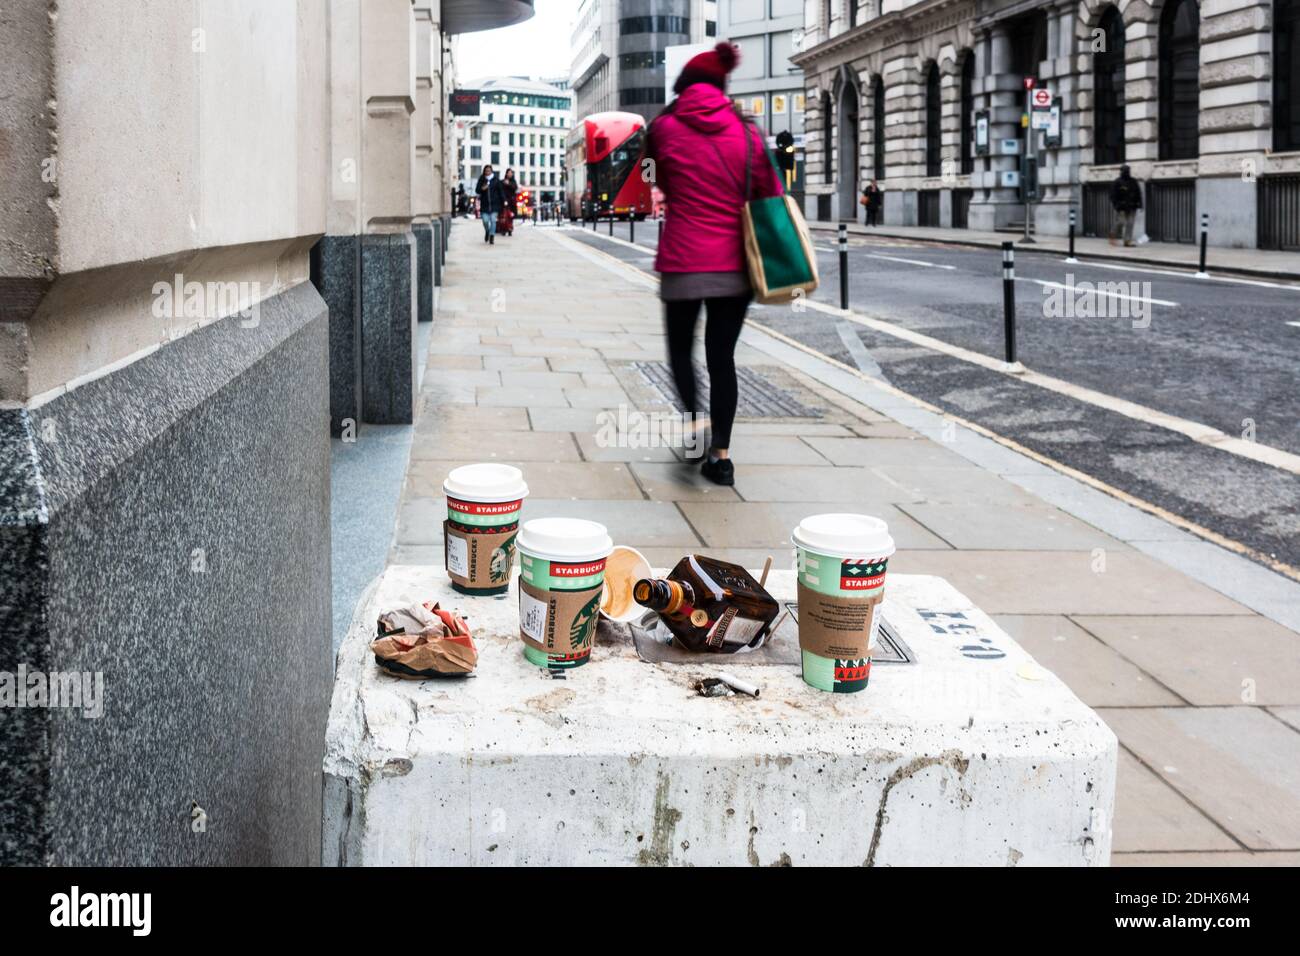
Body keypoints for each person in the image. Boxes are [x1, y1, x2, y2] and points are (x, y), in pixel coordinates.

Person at [644, 42, 783, 487]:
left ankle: (693, 424)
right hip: (734, 266)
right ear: (722, 85)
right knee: (722, 358)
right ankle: (721, 457)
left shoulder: (663, 127)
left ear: (683, 87)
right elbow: (768, 193)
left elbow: (657, 176)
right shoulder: (747, 132)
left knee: (681, 352)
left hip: (684, 261)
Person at [1109, 165, 1142, 247]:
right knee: (1121, 222)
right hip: (1121, 207)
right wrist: (1116, 205)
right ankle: (1112, 235)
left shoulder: (1133, 181)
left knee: (1130, 223)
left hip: (1132, 206)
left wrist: (1140, 203)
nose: (1127, 172)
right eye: (1125, 170)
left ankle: (1127, 241)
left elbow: (1138, 193)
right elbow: (1112, 195)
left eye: (1128, 170)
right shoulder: (1117, 182)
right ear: (1121, 171)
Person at [475, 165, 505, 244]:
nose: (487, 172)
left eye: (489, 170)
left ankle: (492, 236)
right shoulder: (482, 179)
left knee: (493, 221)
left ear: (491, 171)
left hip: (494, 205)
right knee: (485, 221)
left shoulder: (496, 180)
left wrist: (504, 200)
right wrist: (482, 188)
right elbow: (477, 190)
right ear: (484, 171)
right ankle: (487, 231)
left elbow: (501, 191)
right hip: (485, 205)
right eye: (486, 171)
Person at [499, 168, 518, 236]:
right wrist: (504, 199)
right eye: (508, 172)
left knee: (511, 216)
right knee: (503, 215)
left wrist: (509, 184)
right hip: (504, 201)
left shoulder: (513, 182)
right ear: (506, 173)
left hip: (511, 202)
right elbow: (501, 191)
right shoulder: (502, 181)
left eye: (511, 173)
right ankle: (503, 229)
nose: (510, 174)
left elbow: (515, 188)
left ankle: (510, 228)